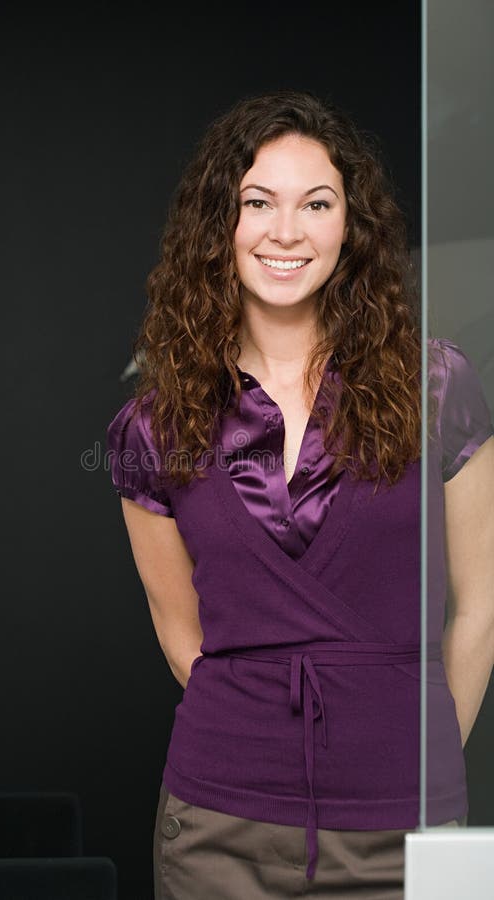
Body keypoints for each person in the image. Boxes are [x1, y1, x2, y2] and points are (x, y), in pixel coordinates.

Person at [106, 90, 494, 899]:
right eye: (258, 203)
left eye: (317, 203)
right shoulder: (155, 423)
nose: (286, 231)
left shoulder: (436, 385)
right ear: (220, 223)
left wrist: (419, 757)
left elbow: (481, 608)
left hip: (407, 821)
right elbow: (184, 638)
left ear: (351, 226)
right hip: (218, 830)